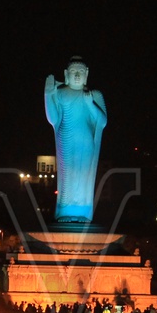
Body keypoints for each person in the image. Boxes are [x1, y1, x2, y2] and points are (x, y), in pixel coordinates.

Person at [44, 57, 107, 224]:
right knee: (68, 176)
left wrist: (90, 103)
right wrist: (48, 94)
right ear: (66, 74)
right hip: (66, 137)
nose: (77, 76)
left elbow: (102, 122)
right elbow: (53, 119)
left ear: (87, 74)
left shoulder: (94, 95)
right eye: (73, 72)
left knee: (83, 176)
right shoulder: (60, 92)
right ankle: (65, 211)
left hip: (86, 141)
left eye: (80, 72)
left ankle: (83, 212)